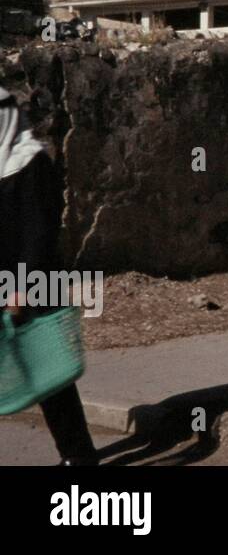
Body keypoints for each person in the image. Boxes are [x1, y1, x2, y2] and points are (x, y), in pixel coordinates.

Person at [0, 88, 97, 465]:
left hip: (34, 284)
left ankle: (78, 457)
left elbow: (39, 232)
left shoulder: (31, 162)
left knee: (50, 377)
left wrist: (21, 290)